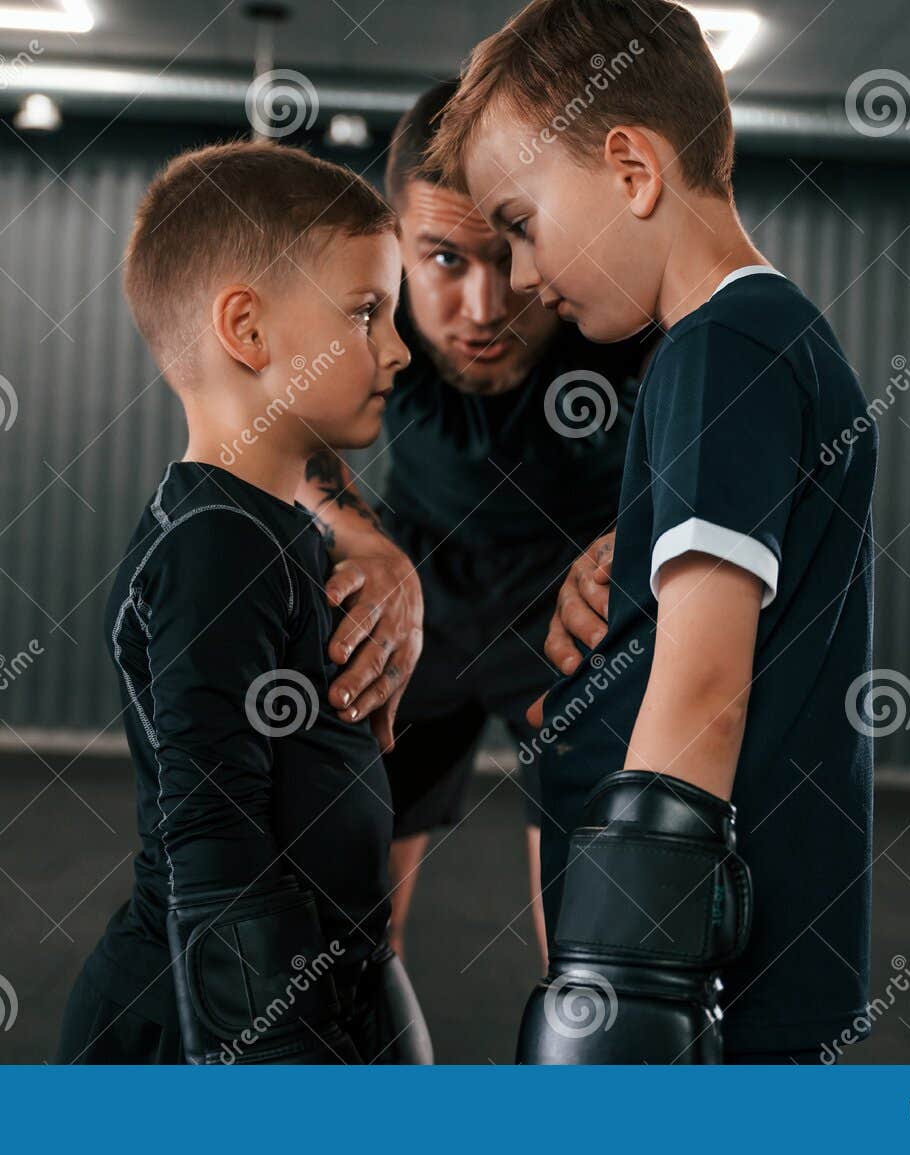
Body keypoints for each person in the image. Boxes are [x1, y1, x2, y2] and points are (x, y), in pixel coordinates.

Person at [429, 0, 877, 1063]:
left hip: (701, 977)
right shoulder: (751, 344)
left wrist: (619, 981)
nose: (522, 276)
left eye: (521, 224)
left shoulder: (723, 349)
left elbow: (706, 685)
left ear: (632, 171)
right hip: (715, 952)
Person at [55, 141, 431, 1065]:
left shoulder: (274, 529)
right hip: (196, 1027)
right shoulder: (216, 546)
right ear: (248, 331)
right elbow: (214, 840)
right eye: (367, 313)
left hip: (314, 979)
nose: (398, 348)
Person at [295, 82, 651, 966]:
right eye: (447, 260)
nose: (486, 306)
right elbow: (284, 439)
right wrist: (362, 540)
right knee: (351, 933)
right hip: (418, 591)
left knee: (585, 948)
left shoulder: (616, 308)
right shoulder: (362, 311)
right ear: (395, 244)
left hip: (578, 606)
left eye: (513, 248)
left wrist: (637, 539)